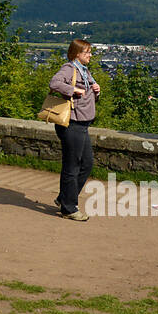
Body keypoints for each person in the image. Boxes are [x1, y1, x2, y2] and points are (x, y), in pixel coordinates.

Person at [48, 39, 101, 221]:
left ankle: (65, 198)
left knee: (86, 164)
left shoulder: (84, 70)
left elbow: (88, 92)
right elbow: (54, 83)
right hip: (72, 123)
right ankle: (69, 208)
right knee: (72, 166)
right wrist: (73, 90)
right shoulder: (69, 68)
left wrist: (96, 89)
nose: (90, 55)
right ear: (77, 53)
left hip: (83, 124)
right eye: (87, 52)